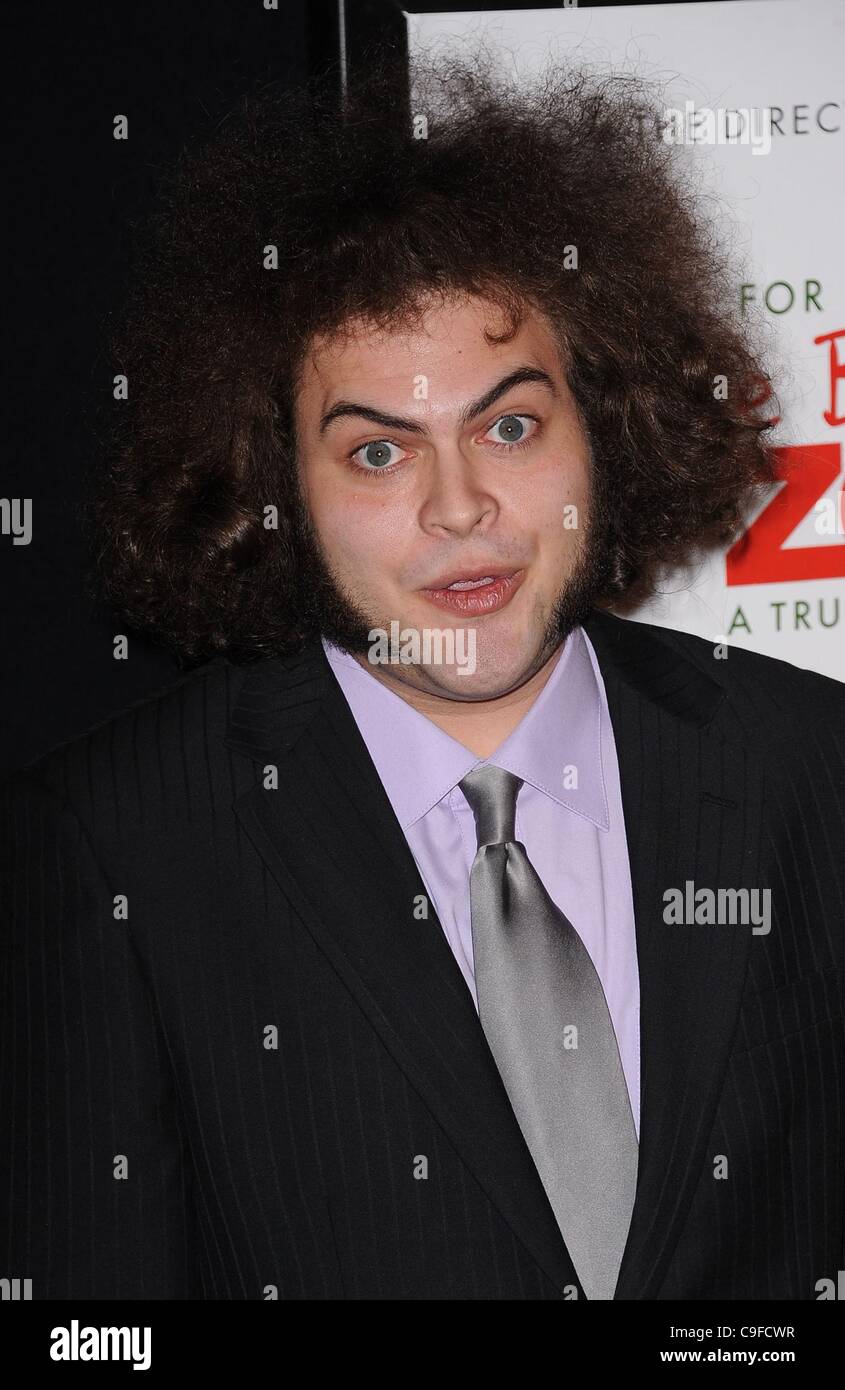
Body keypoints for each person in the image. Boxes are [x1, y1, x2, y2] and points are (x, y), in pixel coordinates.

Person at [2, 48, 843, 1301]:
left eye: (509, 426)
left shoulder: (805, 761)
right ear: (275, 487)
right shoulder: (117, 845)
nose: (461, 507)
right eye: (378, 454)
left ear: (602, 426)